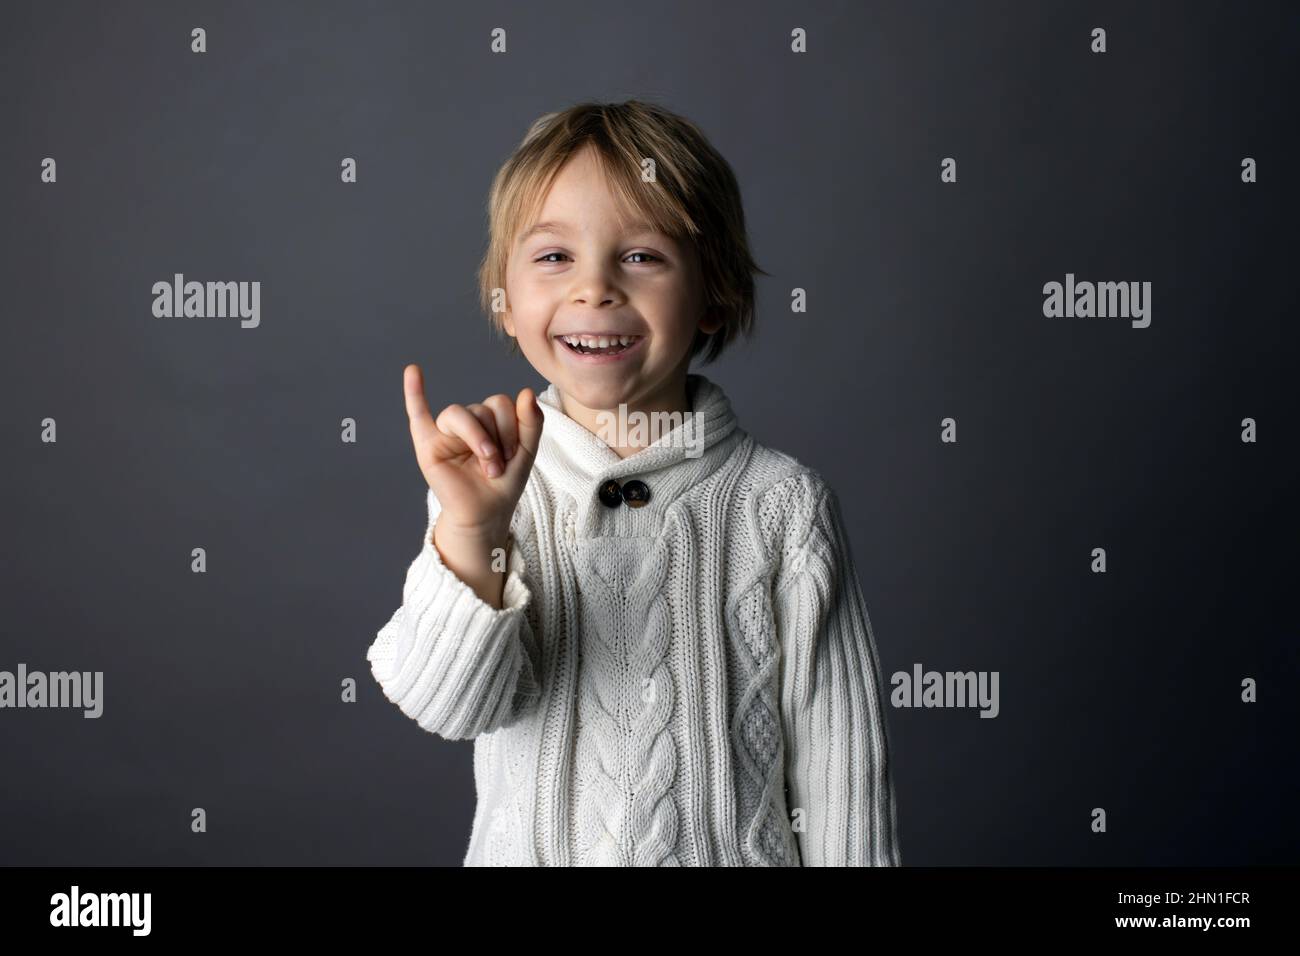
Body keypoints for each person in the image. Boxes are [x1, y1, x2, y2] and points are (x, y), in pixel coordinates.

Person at [367, 100, 901, 866]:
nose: (595, 289)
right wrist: (471, 533)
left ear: (715, 294)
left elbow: (843, 775)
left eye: (642, 256)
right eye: (554, 258)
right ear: (506, 302)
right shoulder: (482, 488)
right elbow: (451, 705)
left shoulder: (782, 505)